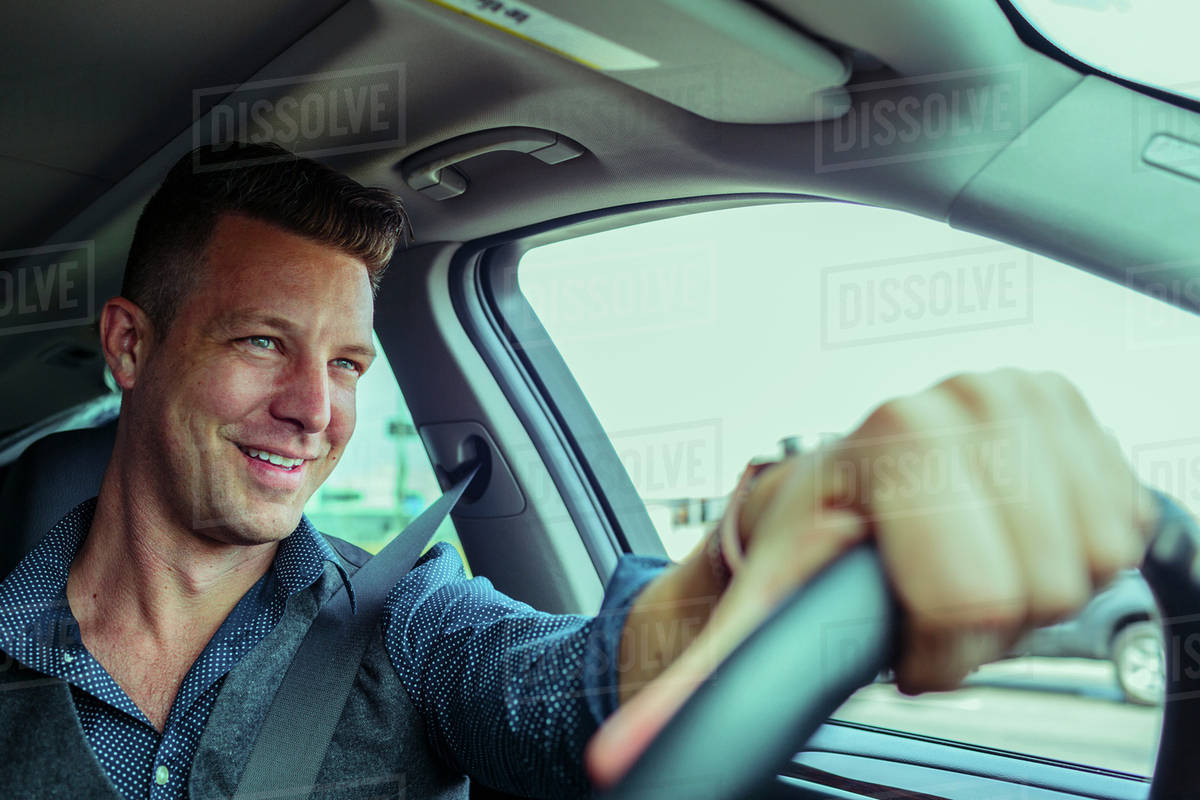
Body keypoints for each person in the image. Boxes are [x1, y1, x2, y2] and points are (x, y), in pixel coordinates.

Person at [0, 142, 1160, 799]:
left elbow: (579, 682)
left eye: (349, 362)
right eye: (263, 342)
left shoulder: (404, 621)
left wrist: (760, 542)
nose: (316, 409)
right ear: (130, 345)